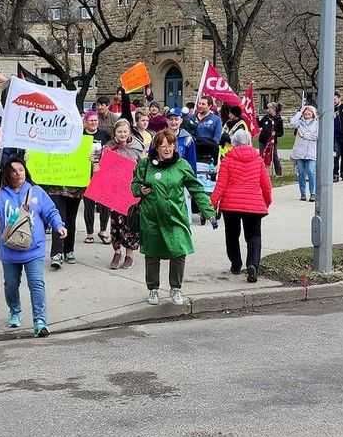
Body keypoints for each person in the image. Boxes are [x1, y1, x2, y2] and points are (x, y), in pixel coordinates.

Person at [0, 156, 66, 336]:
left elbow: (51, 211)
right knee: (11, 285)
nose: (18, 173)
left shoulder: (36, 191)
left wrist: (58, 225)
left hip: (33, 249)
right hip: (9, 250)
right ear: (7, 173)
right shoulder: (2, 193)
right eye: (13, 170)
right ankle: (15, 311)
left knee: (37, 284)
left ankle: (40, 321)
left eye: (21, 169)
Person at [133, 131, 215, 305]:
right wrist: (140, 190)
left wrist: (208, 212)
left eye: (170, 145)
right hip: (151, 218)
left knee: (179, 251)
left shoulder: (181, 165)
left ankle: (176, 288)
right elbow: (134, 185)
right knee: (152, 254)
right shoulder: (145, 165)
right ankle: (153, 289)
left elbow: (196, 189)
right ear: (156, 147)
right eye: (163, 145)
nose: (167, 149)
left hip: (175, 217)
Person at [210, 130, 272, 283]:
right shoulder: (258, 160)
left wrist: (212, 203)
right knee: (254, 236)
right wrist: (266, 202)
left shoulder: (227, 160)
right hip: (254, 204)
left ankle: (236, 264)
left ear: (233, 143)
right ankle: (252, 265)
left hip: (230, 205)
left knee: (232, 235)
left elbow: (220, 185)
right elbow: (266, 185)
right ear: (250, 142)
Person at [104, 119, 141, 270]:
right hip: (114, 192)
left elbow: (142, 168)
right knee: (116, 224)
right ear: (115, 133)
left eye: (125, 131)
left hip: (131, 192)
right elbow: (102, 168)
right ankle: (117, 252)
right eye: (119, 132)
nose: (122, 134)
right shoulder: (108, 148)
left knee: (130, 224)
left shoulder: (137, 148)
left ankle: (129, 255)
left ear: (129, 132)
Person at [82, 111, 111, 244]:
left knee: (104, 204)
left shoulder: (104, 134)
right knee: (89, 205)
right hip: (85, 173)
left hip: (102, 173)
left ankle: (103, 231)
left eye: (95, 120)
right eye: (91, 120)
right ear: (85, 122)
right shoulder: (80, 135)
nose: (93, 122)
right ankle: (89, 233)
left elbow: (112, 149)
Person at [289, 105, 319, 201]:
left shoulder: (316, 123)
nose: (306, 116)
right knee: (301, 173)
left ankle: (313, 192)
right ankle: (303, 193)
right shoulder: (300, 122)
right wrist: (299, 112)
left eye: (309, 114)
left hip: (310, 152)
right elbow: (292, 123)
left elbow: (316, 136)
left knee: (311, 171)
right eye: (305, 114)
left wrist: (304, 135)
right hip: (300, 151)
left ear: (313, 114)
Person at [258, 102, 284, 177]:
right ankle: (262, 173)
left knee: (274, 156)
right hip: (262, 140)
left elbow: (281, 133)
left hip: (272, 142)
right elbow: (259, 125)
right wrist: (256, 118)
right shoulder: (265, 117)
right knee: (261, 156)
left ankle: (278, 173)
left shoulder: (279, 120)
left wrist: (275, 133)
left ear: (274, 109)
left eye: (269, 108)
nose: (267, 110)